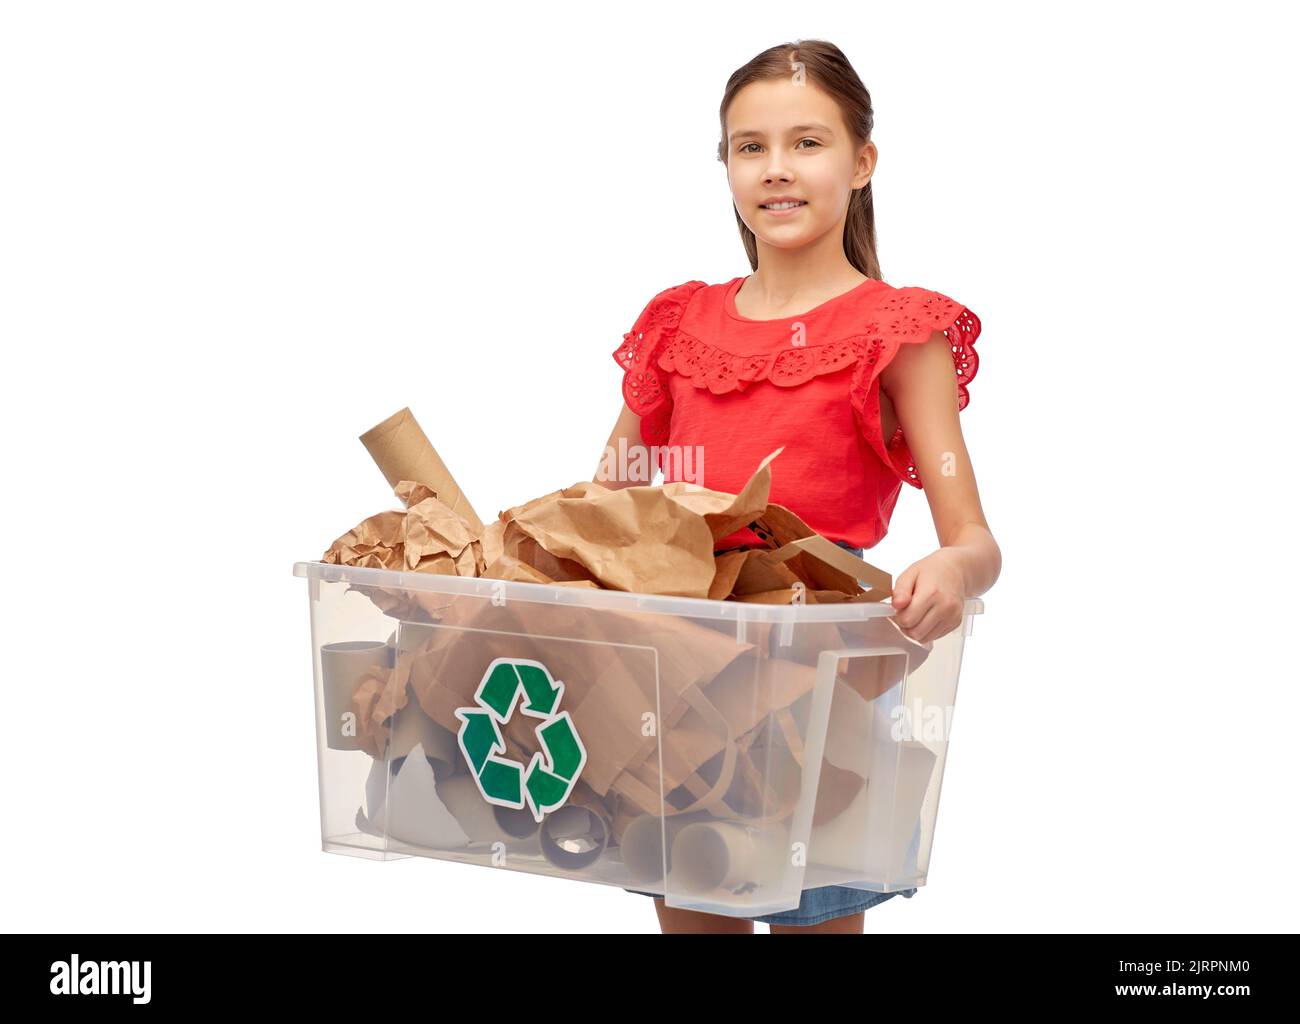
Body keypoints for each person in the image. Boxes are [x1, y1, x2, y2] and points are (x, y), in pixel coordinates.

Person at [595, 39, 1001, 933]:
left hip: (821, 669)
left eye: (807, 143)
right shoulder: (677, 324)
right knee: (694, 907)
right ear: (727, 167)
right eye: (750, 147)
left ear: (862, 163)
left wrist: (951, 570)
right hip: (683, 664)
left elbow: (973, 537)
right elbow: (606, 508)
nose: (776, 170)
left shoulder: (899, 331)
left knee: (816, 916)